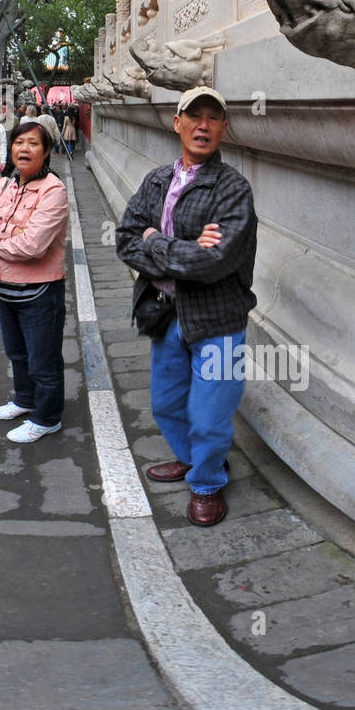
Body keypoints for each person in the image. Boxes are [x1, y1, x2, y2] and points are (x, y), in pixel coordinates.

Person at [115, 87, 260, 529]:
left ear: (223, 128)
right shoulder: (157, 179)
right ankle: (193, 459)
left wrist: (154, 241)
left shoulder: (232, 188)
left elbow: (213, 262)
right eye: (193, 116)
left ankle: (207, 484)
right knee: (166, 404)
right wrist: (178, 248)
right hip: (165, 312)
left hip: (218, 320)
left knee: (209, 414)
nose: (203, 125)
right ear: (176, 123)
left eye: (213, 118)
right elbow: (124, 238)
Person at [0, 118, 72, 444]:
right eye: (19, 142)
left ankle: (47, 418)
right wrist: (9, 234)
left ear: (46, 152)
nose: (24, 149)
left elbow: (33, 246)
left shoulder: (54, 191)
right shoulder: (3, 185)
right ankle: (25, 400)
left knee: (43, 360)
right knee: (17, 353)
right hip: (2, 287)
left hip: (39, 292)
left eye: (32, 143)